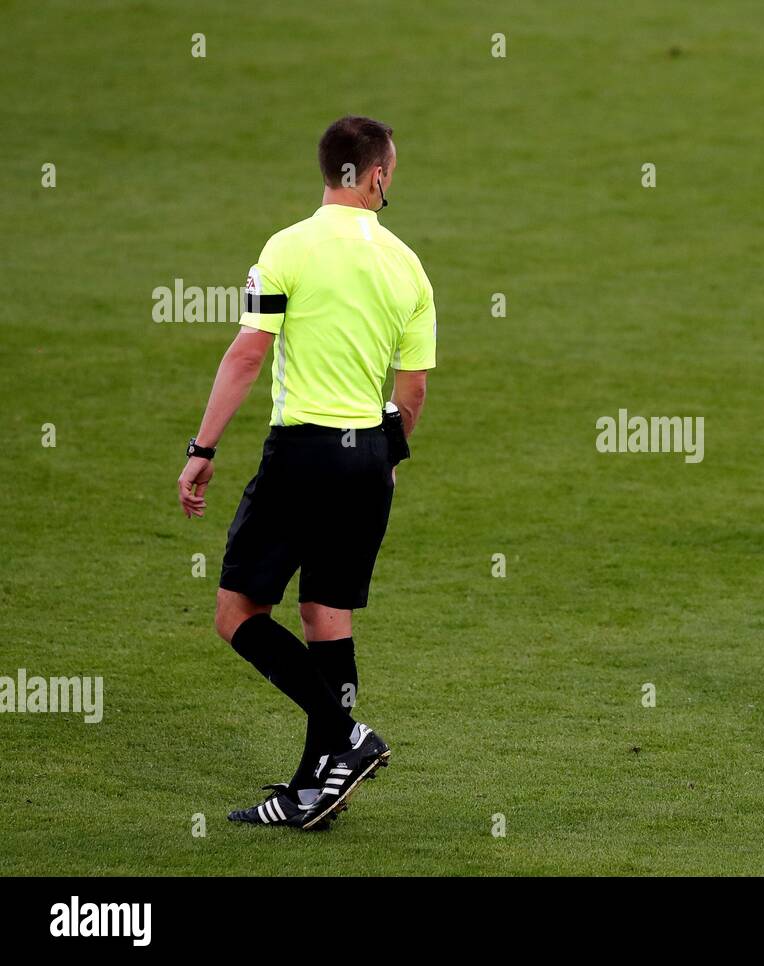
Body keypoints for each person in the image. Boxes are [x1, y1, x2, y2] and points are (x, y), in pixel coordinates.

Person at [176, 115, 436, 829]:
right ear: (376, 176)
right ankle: (311, 791)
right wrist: (386, 459)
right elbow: (412, 392)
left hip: (303, 456)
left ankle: (347, 737)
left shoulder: (287, 247)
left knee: (236, 614)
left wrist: (203, 449)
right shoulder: (407, 265)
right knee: (326, 615)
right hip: (369, 458)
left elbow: (247, 354)